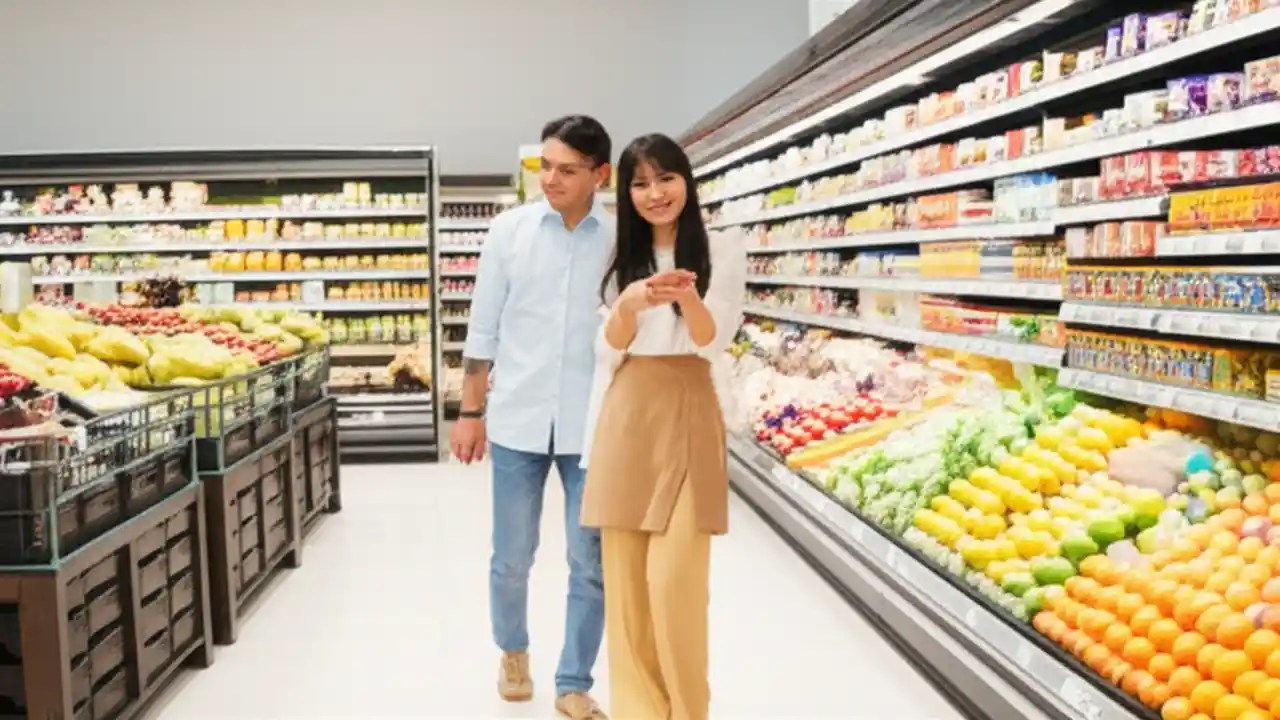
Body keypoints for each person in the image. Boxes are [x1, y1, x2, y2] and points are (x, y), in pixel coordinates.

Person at [580, 133, 746, 720]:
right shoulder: (619, 254)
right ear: (627, 193)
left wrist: (686, 299)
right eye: (641, 183)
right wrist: (628, 307)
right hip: (628, 412)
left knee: (675, 585)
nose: (656, 194)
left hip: (690, 407)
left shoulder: (722, 248)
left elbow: (714, 340)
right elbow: (609, 347)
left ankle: (687, 711)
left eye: (666, 178)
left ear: (687, 181)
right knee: (626, 590)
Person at [453, 115, 614, 720]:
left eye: (567, 170)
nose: (551, 178)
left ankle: (573, 681)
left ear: (600, 175)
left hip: (592, 428)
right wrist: (470, 410)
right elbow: (483, 327)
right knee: (511, 555)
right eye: (544, 166)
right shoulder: (509, 231)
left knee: (588, 560)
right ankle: (513, 650)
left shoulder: (617, 239)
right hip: (518, 418)